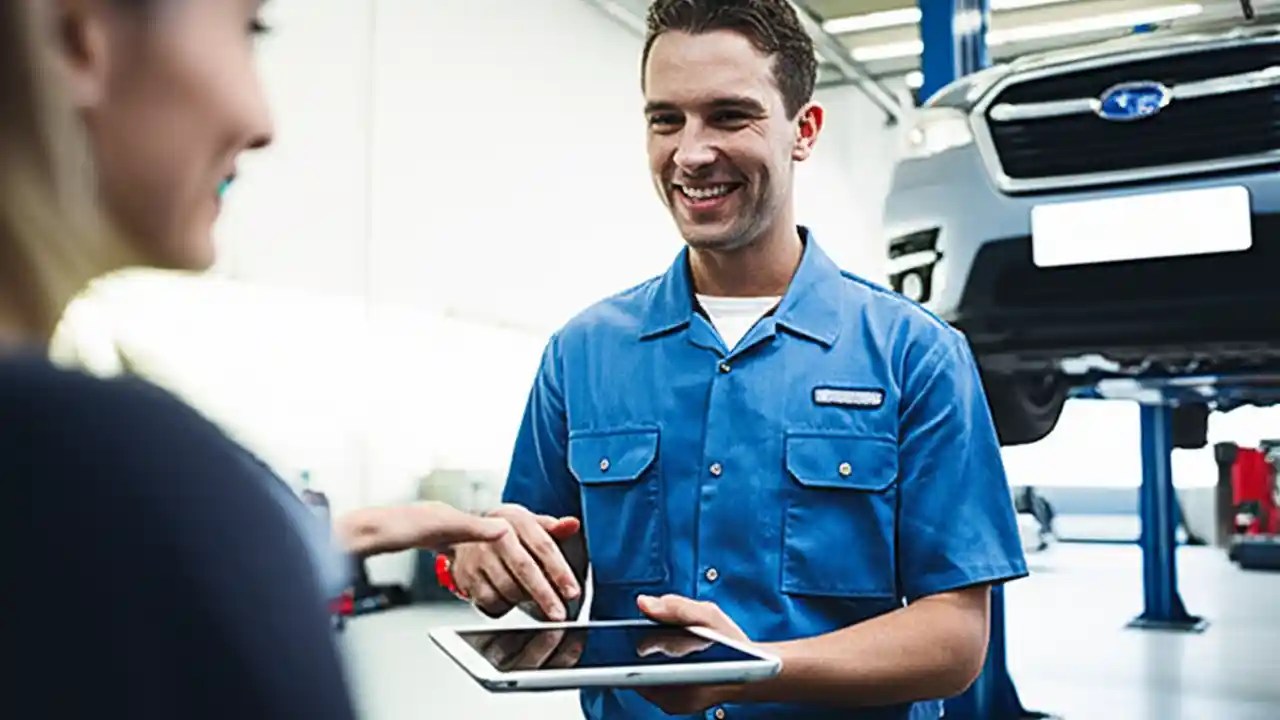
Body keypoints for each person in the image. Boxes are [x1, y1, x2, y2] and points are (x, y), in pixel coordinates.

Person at [444, 1, 1030, 718]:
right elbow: (543, 568)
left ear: (803, 131)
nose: (691, 153)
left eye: (728, 116)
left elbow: (955, 638)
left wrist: (757, 669)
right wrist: (491, 565)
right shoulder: (583, 353)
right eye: (666, 120)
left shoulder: (917, 354)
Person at [2, 0, 507, 716]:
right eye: (249, 31)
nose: (264, 121)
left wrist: (345, 530)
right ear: (77, 37)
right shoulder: (110, 468)